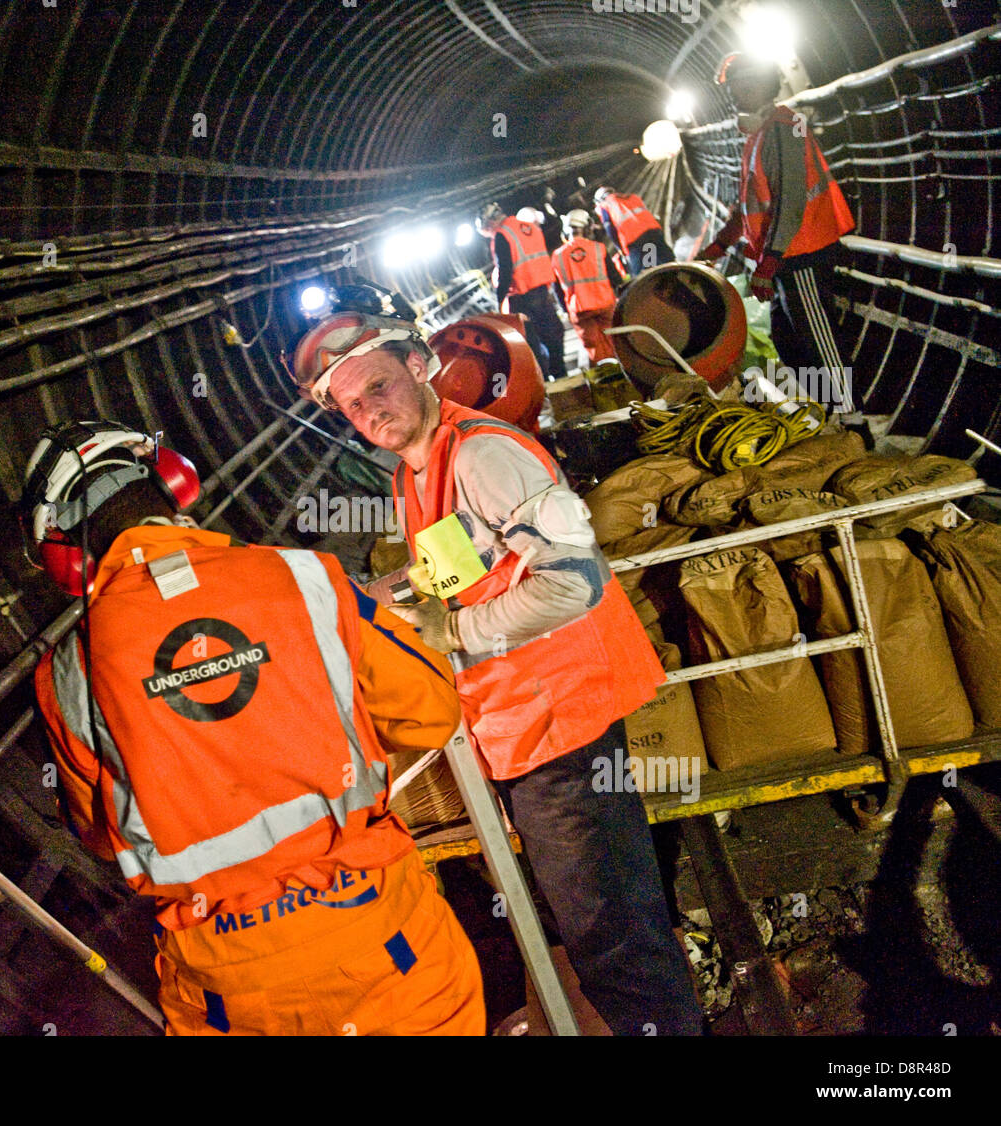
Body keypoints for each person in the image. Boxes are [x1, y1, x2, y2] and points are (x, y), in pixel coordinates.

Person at [284, 290, 705, 1036]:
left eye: (378, 384)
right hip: (519, 724)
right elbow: (460, 564)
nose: (369, 411)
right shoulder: (416, 469)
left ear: (420, 365)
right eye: (351, 405)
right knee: (598, 918)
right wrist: (371, 599)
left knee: (611, 934)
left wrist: (455, 631)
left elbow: (575, 582)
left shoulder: (482, 453)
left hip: (560, 721)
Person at [25, 419, 485, 1036]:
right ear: (175, 484)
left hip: (232, 997)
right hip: (386, 954)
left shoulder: (67, 676)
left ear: (63, 553)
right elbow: (431, 712)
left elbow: (103, 836)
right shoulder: (306, 579)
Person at [697, 52, 864, 430]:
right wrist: (721, 244)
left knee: (820, 339)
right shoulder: (757, 134)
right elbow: (751, 203)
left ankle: (855, 420)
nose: (736, 95)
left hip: (802, 250)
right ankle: (826, 412)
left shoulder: (787, 126)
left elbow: (790, 200)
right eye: (733, 88)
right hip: (784, 254)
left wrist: (768, 263)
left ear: (764, 85)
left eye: (743, 85)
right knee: (790, 341)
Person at [475, 201, 568, 381]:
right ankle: (560, 372)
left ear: (490, 222)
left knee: (530, 341)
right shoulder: (529, 227)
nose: (489, 235)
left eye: (487, 231)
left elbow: (505, 270)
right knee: (552, 333)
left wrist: (500, 299)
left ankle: (544, 380)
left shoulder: (502, 235)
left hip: (522, 295)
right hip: (542, 290)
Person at [551, 209, 627, 365]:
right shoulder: (598, 248)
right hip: (605, 303)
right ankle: (623, 372)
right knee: (615, 340)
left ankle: (606, 378)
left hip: (579, 309)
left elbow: (557, 289)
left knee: (594, 347)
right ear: (586, 228)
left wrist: (566, 310)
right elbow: (616, 278)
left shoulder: (557, 255)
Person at [594, 186, 674, 276]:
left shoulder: (605, 205)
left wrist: (620, 249)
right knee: (669, 263)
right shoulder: (632, 197)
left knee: (639, 276)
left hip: (634, 240)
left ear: (600, 200)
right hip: (654, 232)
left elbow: (610, 230)